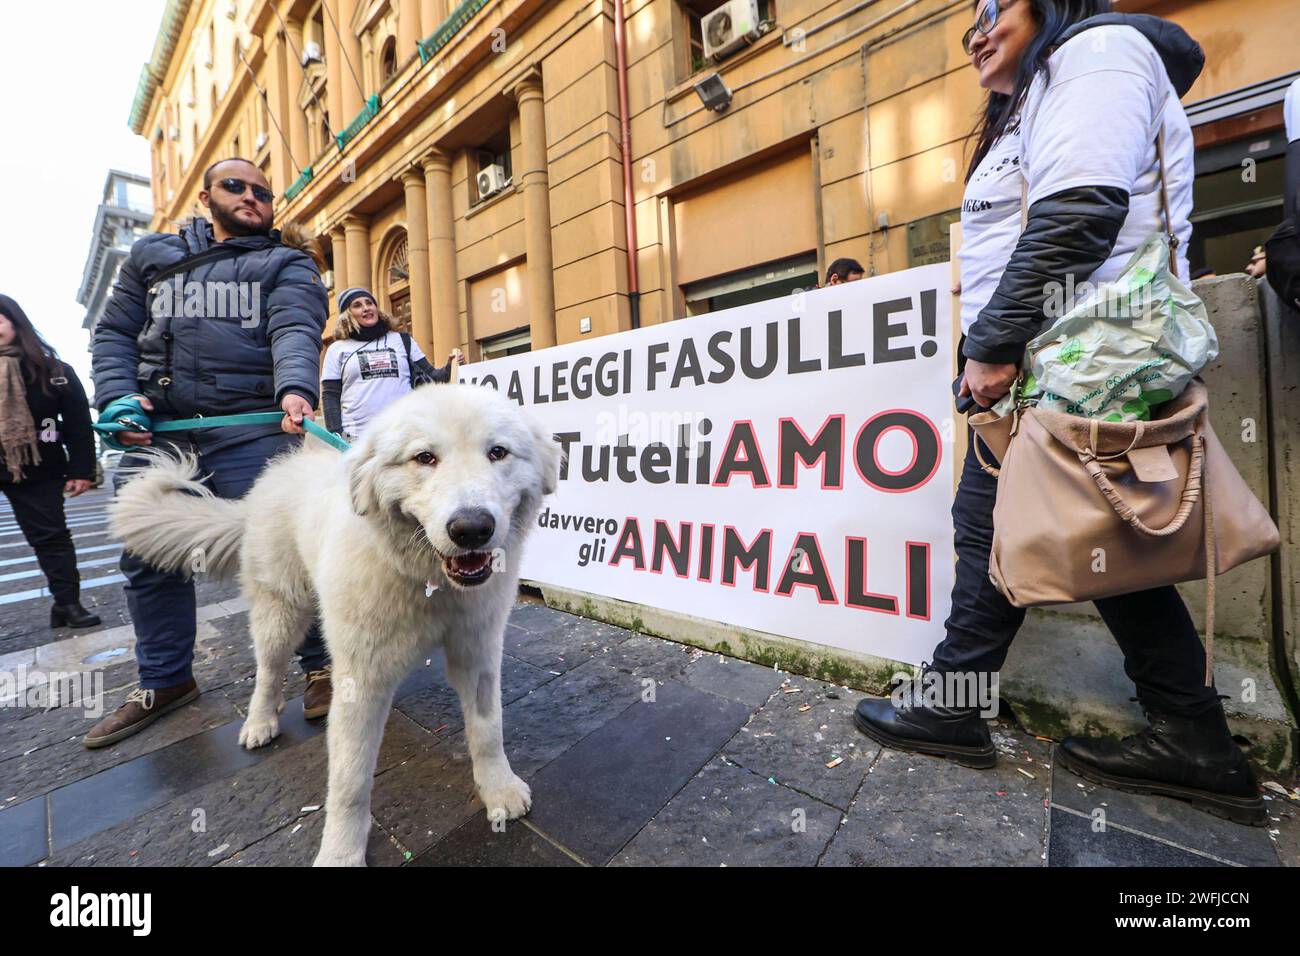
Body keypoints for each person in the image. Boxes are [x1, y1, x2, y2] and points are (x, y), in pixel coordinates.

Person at [854, 0, 1266, 825]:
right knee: (1093, 533)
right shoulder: (1043, 89)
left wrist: (995, 348)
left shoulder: (1100, 52)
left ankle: (958, 702)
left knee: (1016, 521)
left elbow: (1080, 213)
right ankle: (1192, 735)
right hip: (1058, 357)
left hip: (1082, 356)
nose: (975, 29)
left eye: (992, 7)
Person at [84, 157, 333, 749]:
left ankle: (322, 666)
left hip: (251, 429)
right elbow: (114, 333)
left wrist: (296, 389)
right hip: (160, 432)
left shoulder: (287, 262)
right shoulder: (150, 258)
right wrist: (118, 397)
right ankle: (165, 681)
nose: (252, 196)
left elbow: (295, 327)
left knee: (295, 550)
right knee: (147, 556)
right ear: (205, 196)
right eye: (236, 186)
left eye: (263, 191)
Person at [0, 295, 100, 628]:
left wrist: (81, 469)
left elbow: (76, 424)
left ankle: (68, 604)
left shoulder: (52, 371)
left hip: (38, 469)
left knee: (51, 539)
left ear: (15, 323)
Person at [320, 287, 462, 442]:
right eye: (357, 305)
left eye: (369, 303)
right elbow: (330, 396)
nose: (366, 308)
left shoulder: (402, 340)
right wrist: (338, 436)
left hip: (403, 433)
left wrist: (450, 366)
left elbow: (434, 377)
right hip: (358, 438)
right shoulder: (337, 349)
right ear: (347, 315)